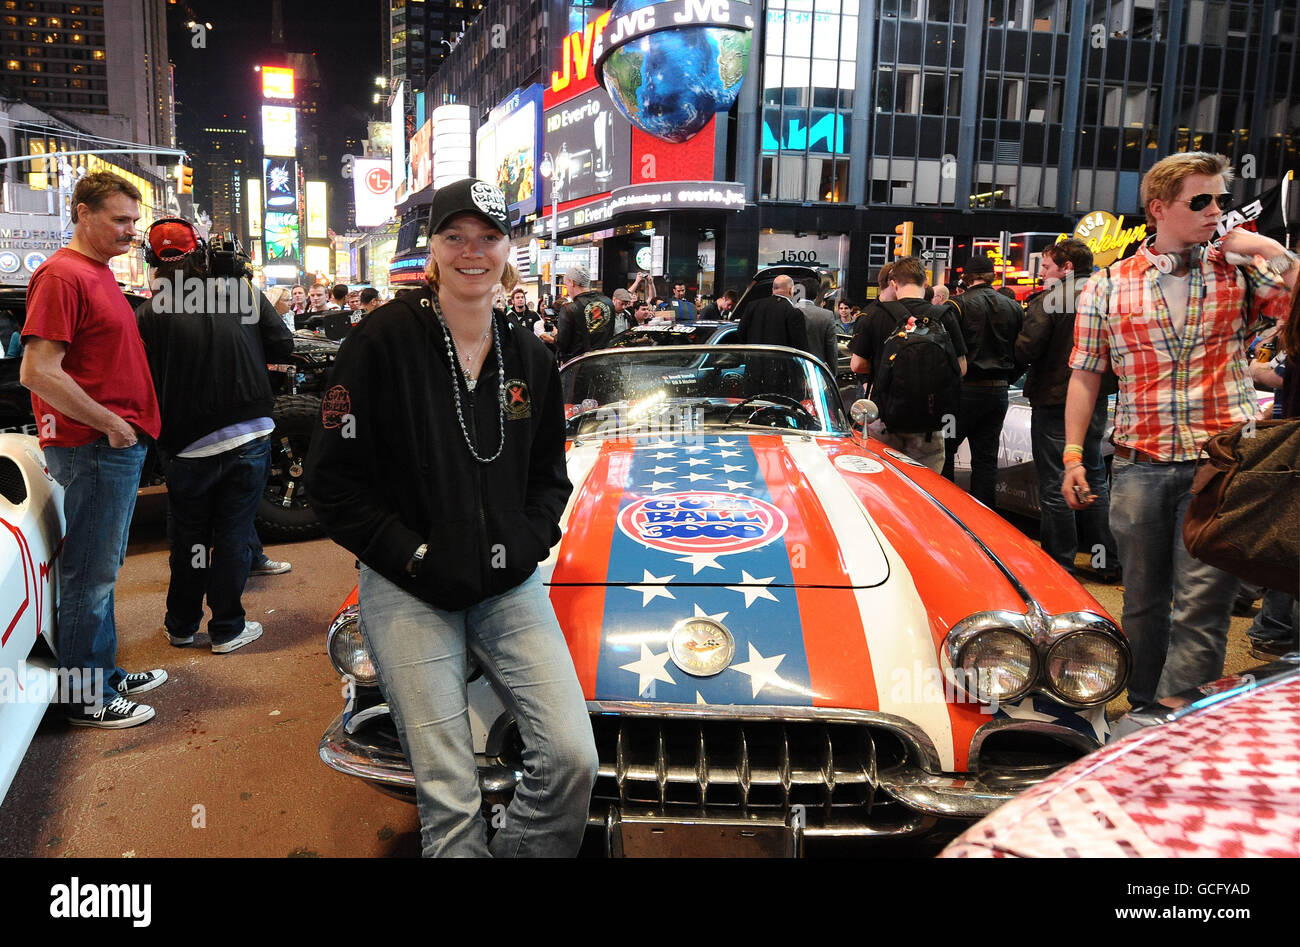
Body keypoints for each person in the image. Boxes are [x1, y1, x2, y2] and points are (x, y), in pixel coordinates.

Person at [307, 177, 597, 857]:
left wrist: (524, 544)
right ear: (432, 251)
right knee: (450, 795)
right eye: (455, 236)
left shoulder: (529, 354)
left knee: (571, 759)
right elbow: (331, 481)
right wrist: (414, 554)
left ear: (509, 248)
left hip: (509, 586)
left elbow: (550, 477)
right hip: (408, 586)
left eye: (489, 237)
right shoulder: (380, 341)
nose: (473, 251)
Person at [1063, 151, 1297, 706]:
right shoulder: (1108, 285)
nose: (1216, 211)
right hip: (1139, 464)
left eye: (1221, 200)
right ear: (1159, 208)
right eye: (1201, 201)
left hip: (1220, 468)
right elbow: (1085, 376)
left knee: (1202, 608)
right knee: (1141, 600)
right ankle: (1141, 713)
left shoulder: (1237, 270)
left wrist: (1266, 248)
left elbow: (1297, 300)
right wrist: (1074, 455)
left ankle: (1181, 722)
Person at [18, 171, 166, 728]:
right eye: (120, 219)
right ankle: (84, 695)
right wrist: (110, 423)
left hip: (108, 444)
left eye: (134, 220)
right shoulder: (62, 275)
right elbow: (38, 371)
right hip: (94, 445)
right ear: (82, 212)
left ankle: (102, 672)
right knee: (90, 572)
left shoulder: (95, 273)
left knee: (100, 567)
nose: (132, 230)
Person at [135, 217, 294, 654]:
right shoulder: (242, 293)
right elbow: (283, 345)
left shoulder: (147, 314)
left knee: (189, 538)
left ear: (152, 261)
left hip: (186, 445)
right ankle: (226, 628)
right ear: (201, 252)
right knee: (231, 534)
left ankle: (182, 625)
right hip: (248, 436)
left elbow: (140, 379)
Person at [1014, 238, 1118, 578]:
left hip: (1055, 397)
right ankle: (1105, 561)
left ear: (1067, 266)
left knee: (1056, 479)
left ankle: (1059, 564)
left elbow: (1028, 348)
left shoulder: (1053, 299)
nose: (1042, 273)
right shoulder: (1108, 293)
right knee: (1095, 475)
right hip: (1097, 396)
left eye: (1046, 266)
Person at [849, 256, 966, 472]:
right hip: (929, 422)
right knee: (926, 490)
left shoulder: (875, 314)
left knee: (883, 486)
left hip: (884, 417)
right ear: (926, 283)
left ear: (894, 284)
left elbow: (856, 365)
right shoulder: (944, 316)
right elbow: (961, 368)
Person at [940, 253, 1024, 507]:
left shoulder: (957, 306)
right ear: (992, 277)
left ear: (966, 277)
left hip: (962, 394)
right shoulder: (1014, 307)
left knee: (946, 452)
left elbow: (946, 351)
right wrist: (1008, 378)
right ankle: (983, 519)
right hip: (997, 393)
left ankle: (945, 512)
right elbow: (1023, 352)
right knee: (985, 459)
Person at [555, 264, 614, 362]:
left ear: (572, 282)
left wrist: (556, 336)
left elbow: (562, 344)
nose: (567, 289)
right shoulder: (608, 302)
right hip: (606, 363)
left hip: (579, 367)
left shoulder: (569, 309)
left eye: (566, 285)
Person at [736, 274, 808, 349]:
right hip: (780, 359)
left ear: (773, 289)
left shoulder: (752, 306)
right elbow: (799, 346)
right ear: (791, 290)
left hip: (753, 358)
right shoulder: (794, 312)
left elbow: (741, 334)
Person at [794, 290, 839, 374]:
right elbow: (831, 346)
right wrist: (832, 372)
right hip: (817, 369)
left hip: (793, 368)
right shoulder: (826, 315)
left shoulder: (789, 311)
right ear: (816, 295)